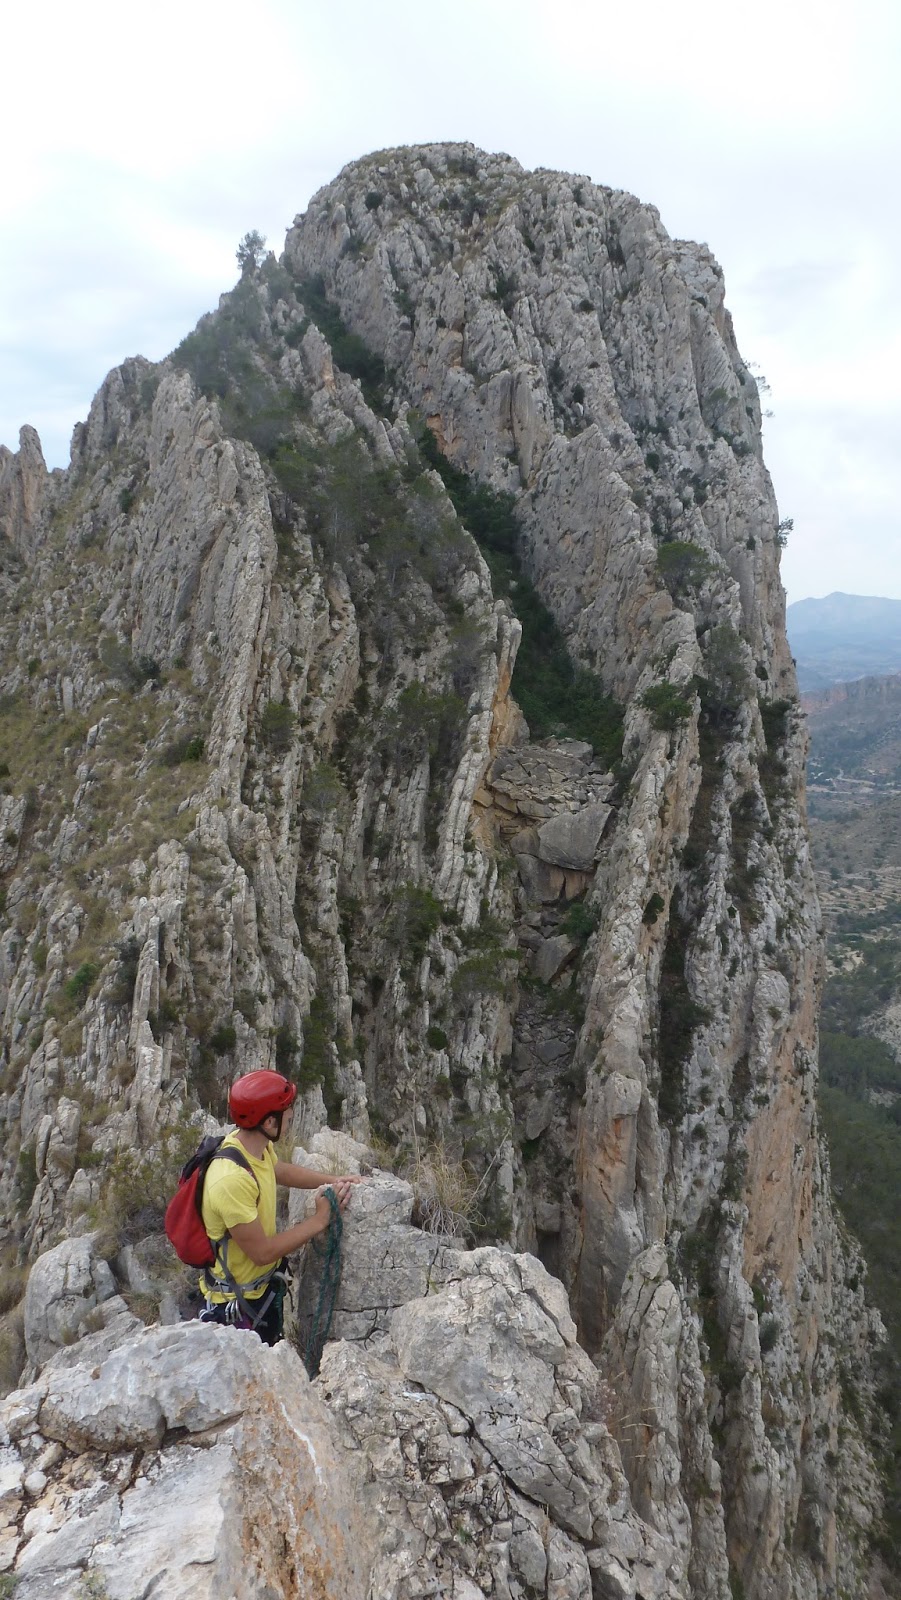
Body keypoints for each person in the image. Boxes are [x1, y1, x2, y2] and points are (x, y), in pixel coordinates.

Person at [199, 1068, 360, 1345]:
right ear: (270, 1123)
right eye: (287, 1114)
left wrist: (334, 1179)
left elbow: (278, 1170)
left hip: (260, 1292)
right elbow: (262, 1252)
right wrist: (320, 1220)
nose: (292, 1117)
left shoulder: (251, 1146)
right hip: (239, 1309)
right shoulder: (231, 1180)